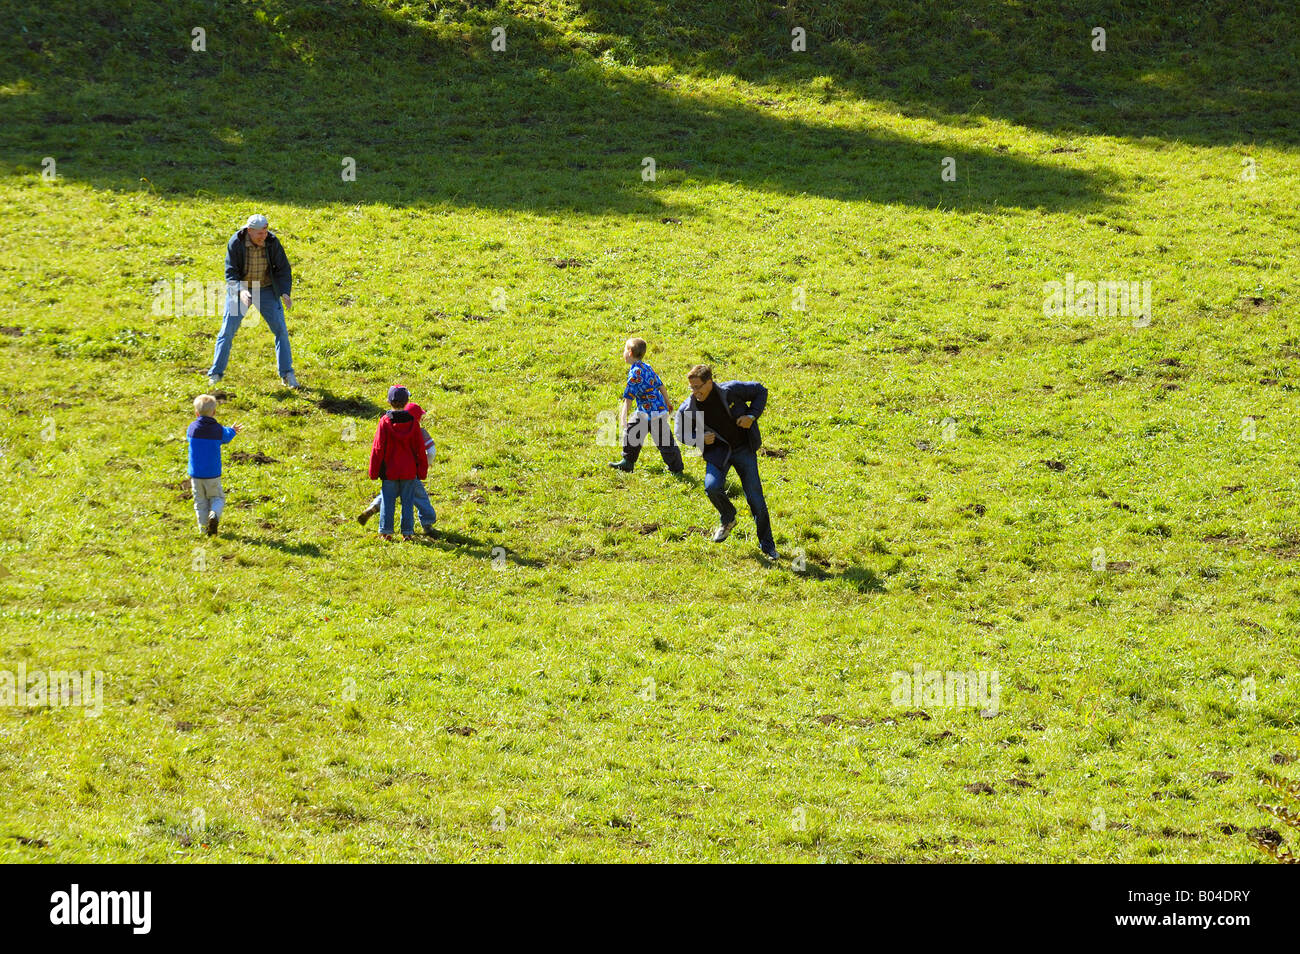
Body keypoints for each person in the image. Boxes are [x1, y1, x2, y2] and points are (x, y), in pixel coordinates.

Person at [674, 364, 777, 560]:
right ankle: (728, 517)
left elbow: (760, 391)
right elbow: (680, 433)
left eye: (698, 387)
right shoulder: (689, 408)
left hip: (743, 449)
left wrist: (751, 416)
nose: (695, 392)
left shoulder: (731, 390)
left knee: (756, 499)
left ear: (710, 382)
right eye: (692, 388)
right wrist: (699, 438)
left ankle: (768, 546)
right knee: (711, 488)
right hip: (717, 453)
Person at [207, 213, 299, 389]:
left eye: (265, 232)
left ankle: (287, 374)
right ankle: (216, 374)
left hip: (265, 290)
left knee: (281, 331)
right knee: (227, 331)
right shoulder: (236, 242)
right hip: (240, 290)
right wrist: (240, 291)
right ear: (249, 231)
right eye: (259, 234)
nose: (263, 237)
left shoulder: (272, 242)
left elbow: (283, 269)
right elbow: (230, 272)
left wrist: (285, 292)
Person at [358, 398, 436, 534]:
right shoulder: (418, 430)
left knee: (388, 496)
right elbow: (430, 452)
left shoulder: (387, 423)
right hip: (411, 472)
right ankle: (424, 524)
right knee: (418, 498)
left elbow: (378, 448)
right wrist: (423, 468)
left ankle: (377, 512)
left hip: (391, 471)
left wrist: (374, 471)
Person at [609, 337, 682, 474]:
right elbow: (660, 385)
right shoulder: (647, 367)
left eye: (624, 350)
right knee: (634, 434)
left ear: (630, 353)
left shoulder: (635, 373)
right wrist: (667, 401)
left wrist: (623, 416)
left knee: (664, 441)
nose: (623, 352)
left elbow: (629, 397)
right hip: (652, 410)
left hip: (652, 413)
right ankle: (627, 462)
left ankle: (676, 469)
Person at [186, 394, 242, 536]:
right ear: (214, 412)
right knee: (217, 498)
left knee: (200, 502)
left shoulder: (192, 428)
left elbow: (188, 438)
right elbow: (227, 436)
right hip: (212, 474)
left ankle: (204, 530)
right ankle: (214, 514)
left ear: (196, 413)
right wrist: (233, 430)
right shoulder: (217, 430)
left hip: (196, 474)